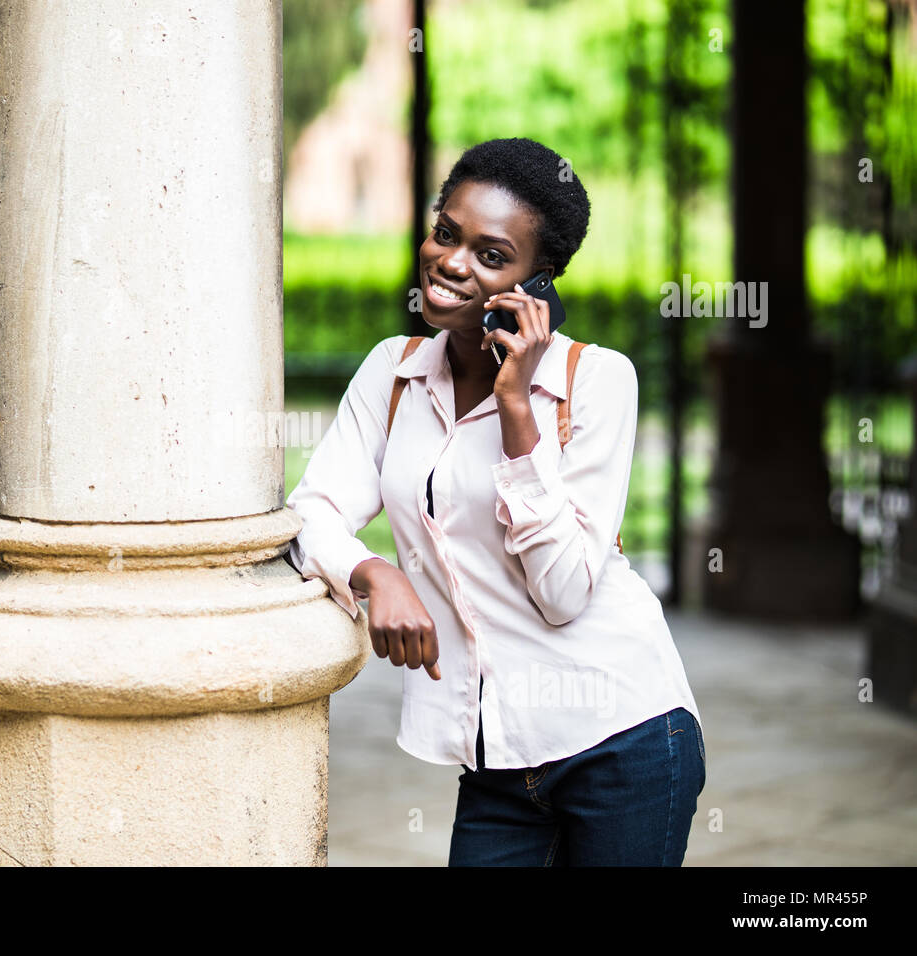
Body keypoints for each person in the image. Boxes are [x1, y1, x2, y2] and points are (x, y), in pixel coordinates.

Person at [285, 137, 705, 866]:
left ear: (539, 283)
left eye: (491, 254)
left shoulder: (600, 382)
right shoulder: (394, 374)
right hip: (494, 757)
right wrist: (376, 573)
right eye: (447, 234)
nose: (452, 263)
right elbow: (311, 509)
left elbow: (565, 591)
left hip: (626, 740)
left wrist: (518, 413)